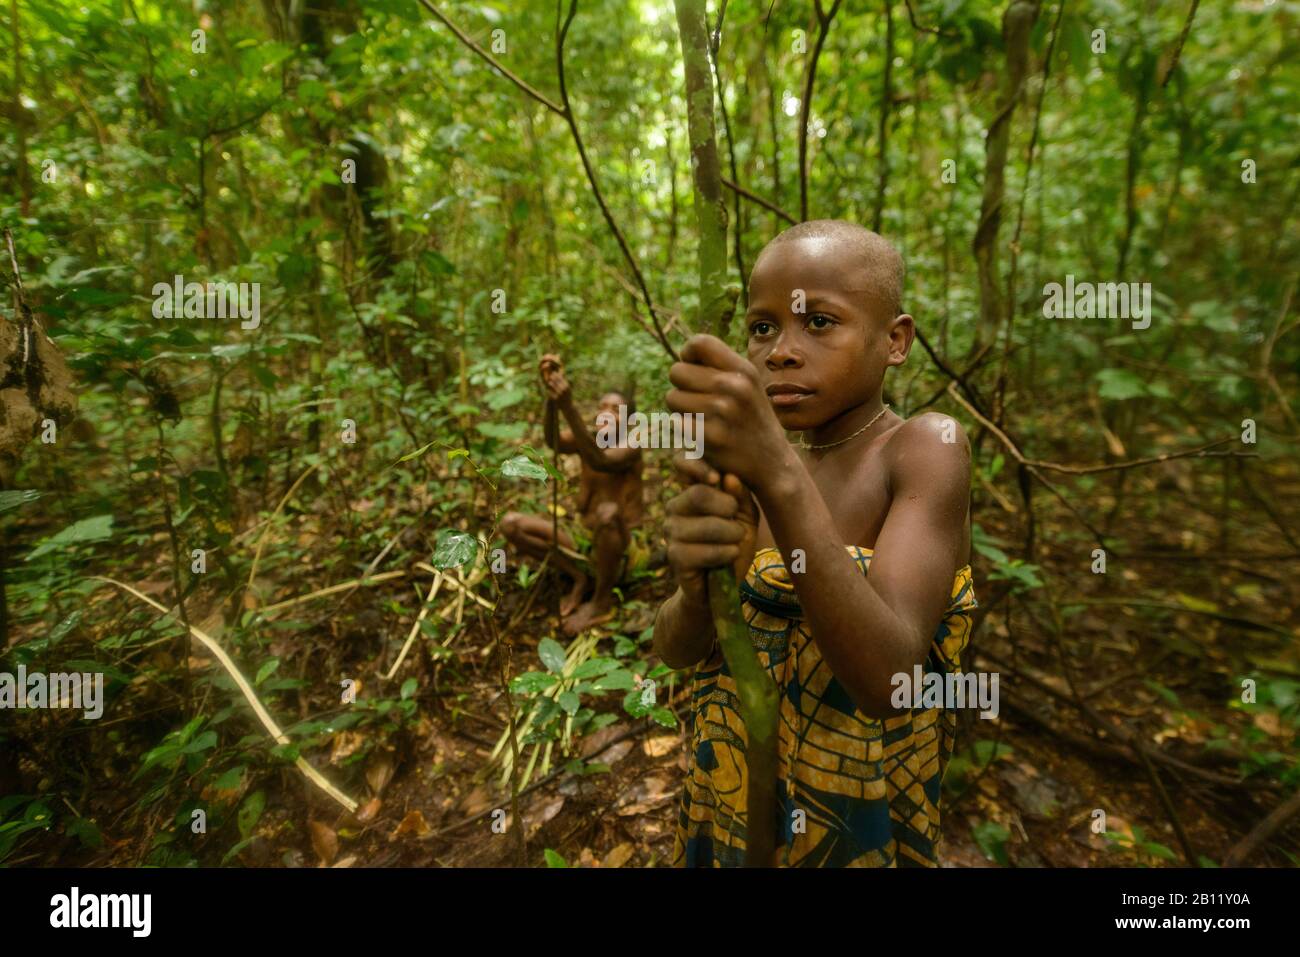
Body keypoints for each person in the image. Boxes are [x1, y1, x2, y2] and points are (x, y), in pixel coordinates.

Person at [653, 220, 977, 867]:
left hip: (856, 814)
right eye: (764, 327)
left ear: (895, 340)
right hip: (738, 791)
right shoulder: (747, 466)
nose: (780, 352)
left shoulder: (922, 449)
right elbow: (678, 651)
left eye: (819, 322)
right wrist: (695, 589)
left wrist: (778, 472)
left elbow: (892, 683)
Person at [501, 355, 643, 636]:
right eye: (602, 407)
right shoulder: (586, 439)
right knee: (511, 523)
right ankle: (580, 577)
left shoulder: (633, 443)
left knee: (608, 512)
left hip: (623, 549)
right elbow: (553, 440)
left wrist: (567, 406)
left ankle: (601, 601)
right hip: (582, 540)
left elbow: (602, 460)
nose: (605, 413)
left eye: (616, 409)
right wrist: (552, 397)